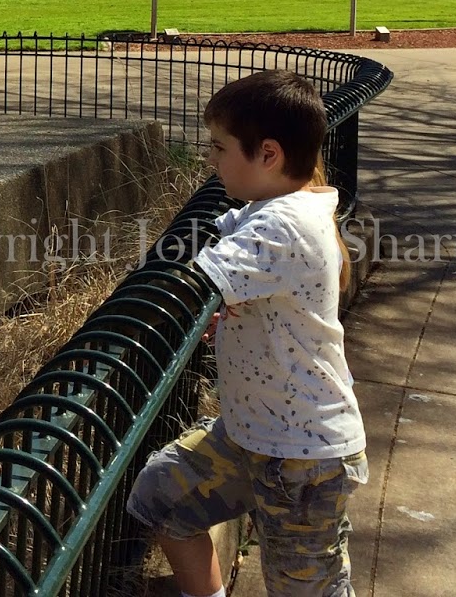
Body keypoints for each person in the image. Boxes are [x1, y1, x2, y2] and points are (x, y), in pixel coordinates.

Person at [126, 70, 364, 597]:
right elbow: (241, 264)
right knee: (163, 497)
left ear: (269, 154)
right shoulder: (275, 208)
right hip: (251, 432)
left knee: (306, 589)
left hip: (303, 457)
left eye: (219, 147)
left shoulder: (284, 225)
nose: (210, 159)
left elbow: (193, 282)